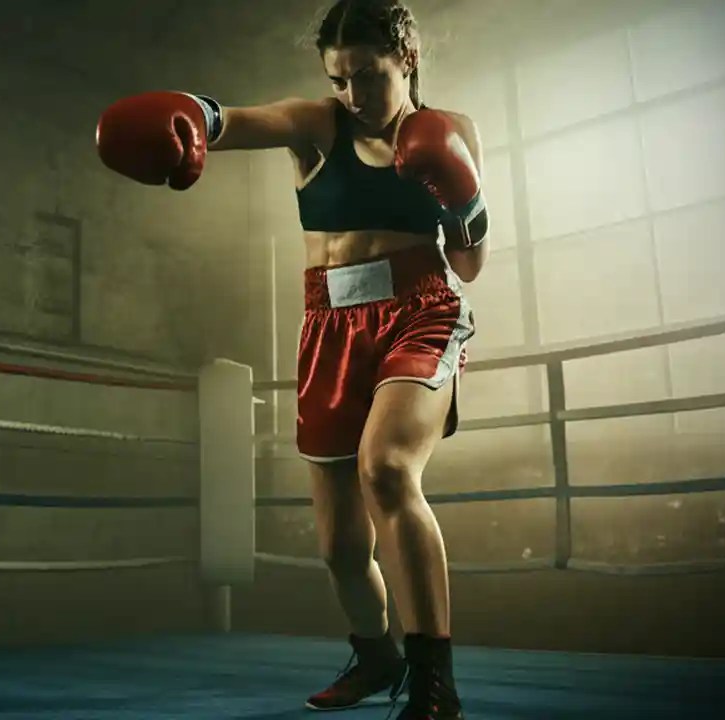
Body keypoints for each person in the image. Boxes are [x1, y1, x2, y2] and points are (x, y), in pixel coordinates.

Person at [95, 1, 487, 717]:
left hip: (421, 309)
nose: (353, 95)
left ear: (409, 61)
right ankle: (377, 657)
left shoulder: (452, 132)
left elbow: (471, 261)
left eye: (368, 77)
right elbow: (238, 121)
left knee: (389, 469)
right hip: (329, 326)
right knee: (340, 548)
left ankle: (436, 685)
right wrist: (190, 121)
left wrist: (462, 192)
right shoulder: (318, 125)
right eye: (340, 79)